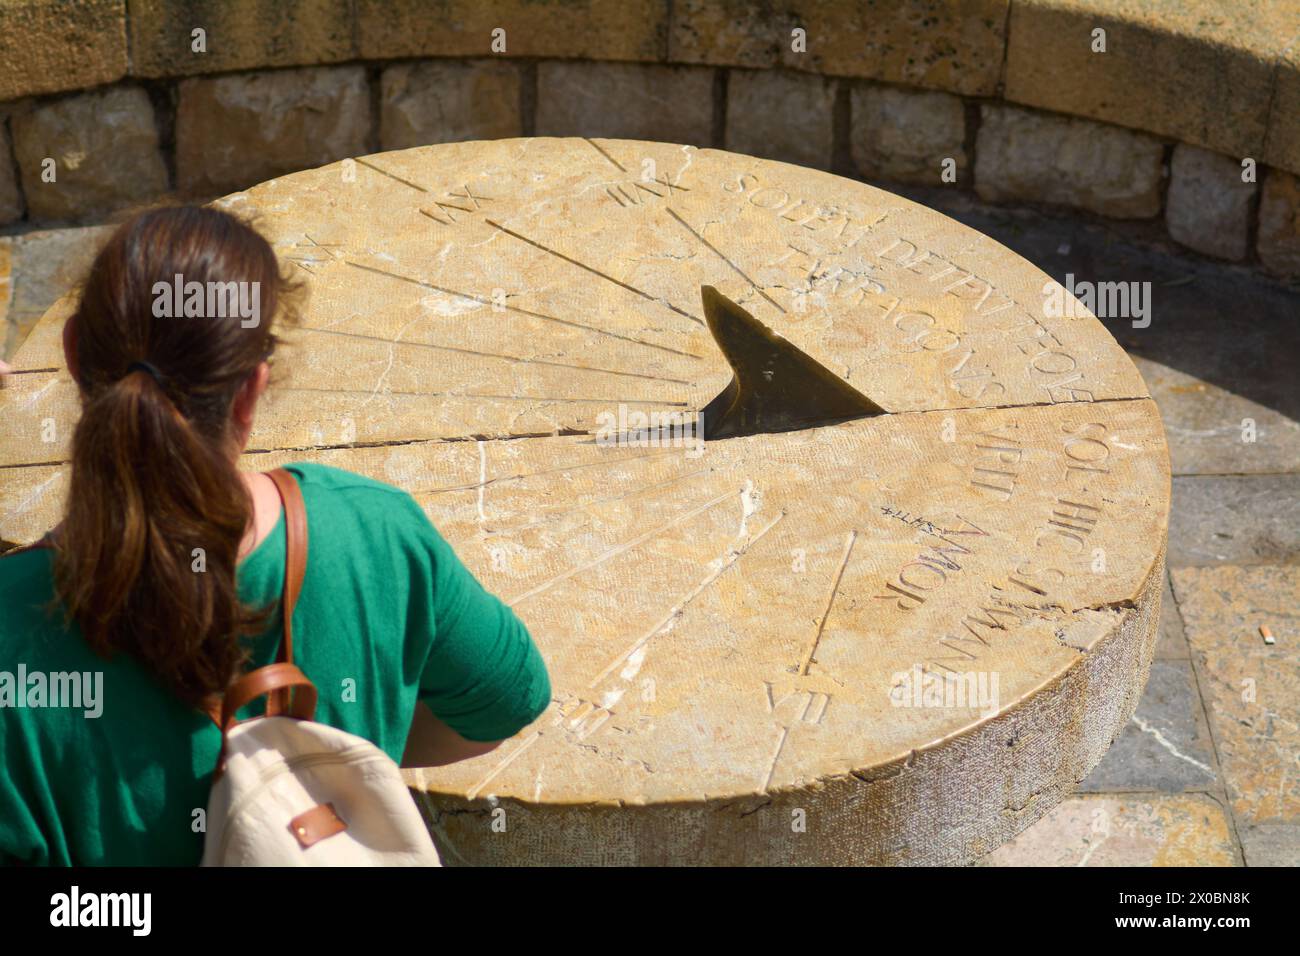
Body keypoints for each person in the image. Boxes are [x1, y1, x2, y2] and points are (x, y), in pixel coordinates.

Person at [0, 206, 550, 865]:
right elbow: (504, 704)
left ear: (71, 355)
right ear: (251, 389)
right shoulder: (374, 530)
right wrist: (337, 737)